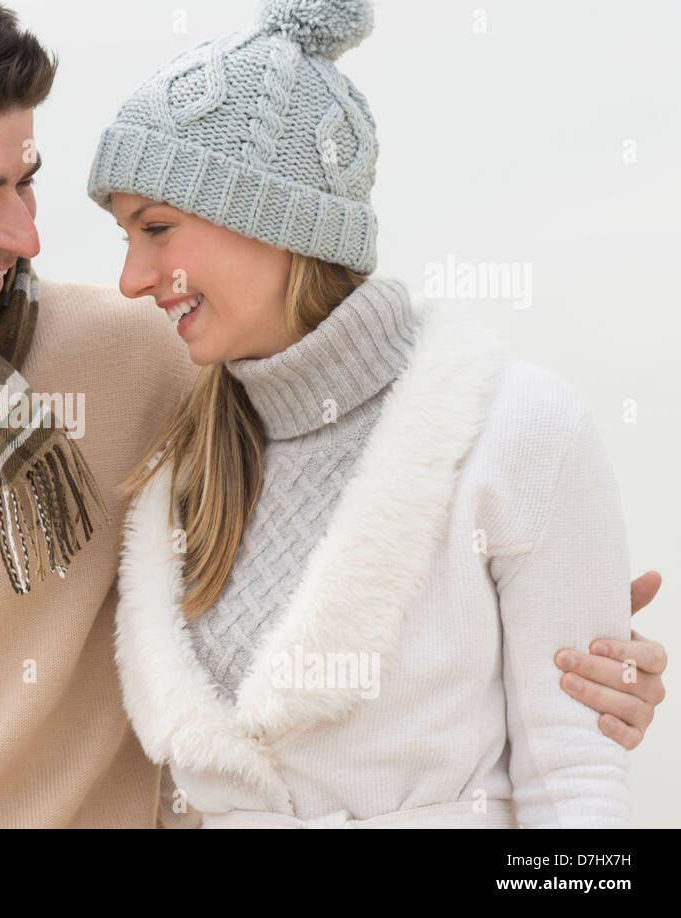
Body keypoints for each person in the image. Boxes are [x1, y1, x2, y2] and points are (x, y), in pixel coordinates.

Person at [0, 0, 667, 829]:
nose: (29, 235)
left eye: (25, 180)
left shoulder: (150, 366)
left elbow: (375, 444)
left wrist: (558, 655)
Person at [93, 0, 662, 827]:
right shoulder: (179, 472)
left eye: (157, 228)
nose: (132, 278)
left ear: (277, 219)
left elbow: (575, 788)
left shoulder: (519, 429)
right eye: (122, 238)